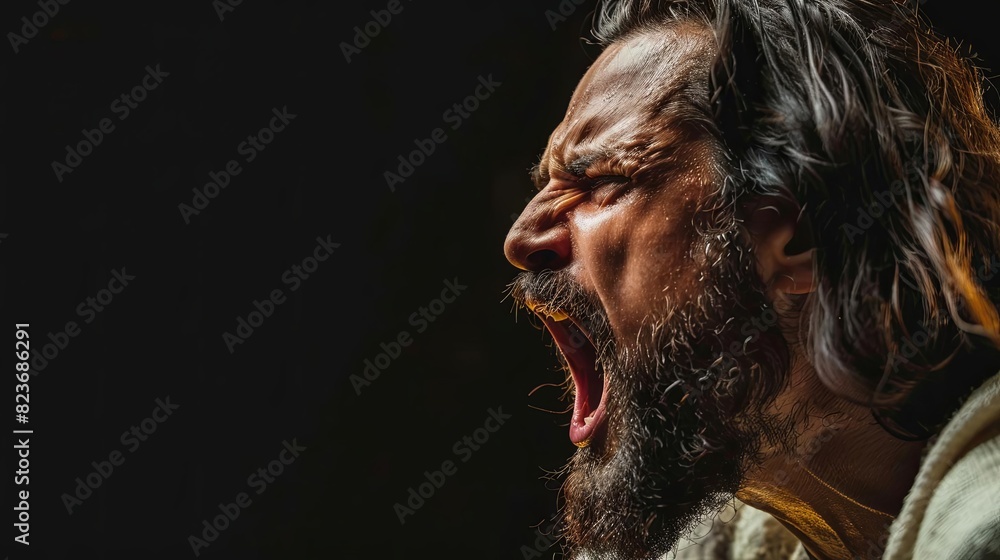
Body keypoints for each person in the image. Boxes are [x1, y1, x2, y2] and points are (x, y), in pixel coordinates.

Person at [503, 1, 1000, 558]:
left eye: (599, 178)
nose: (521, 239)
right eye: (547, 184)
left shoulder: (983, 529)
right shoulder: (740, 540)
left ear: (803, 239)